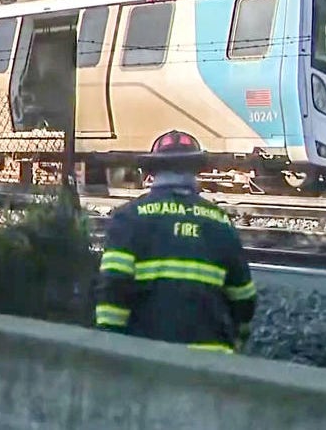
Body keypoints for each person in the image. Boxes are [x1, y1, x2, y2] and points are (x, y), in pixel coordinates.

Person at [93, 130, 257, 353]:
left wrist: (110, 344)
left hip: (148, 357)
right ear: (197, 170)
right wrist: (239, 337)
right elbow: (244, 297)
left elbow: (114, 288)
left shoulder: (128, 218)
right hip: (211, 363)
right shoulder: (220, 222)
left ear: (153, 171)